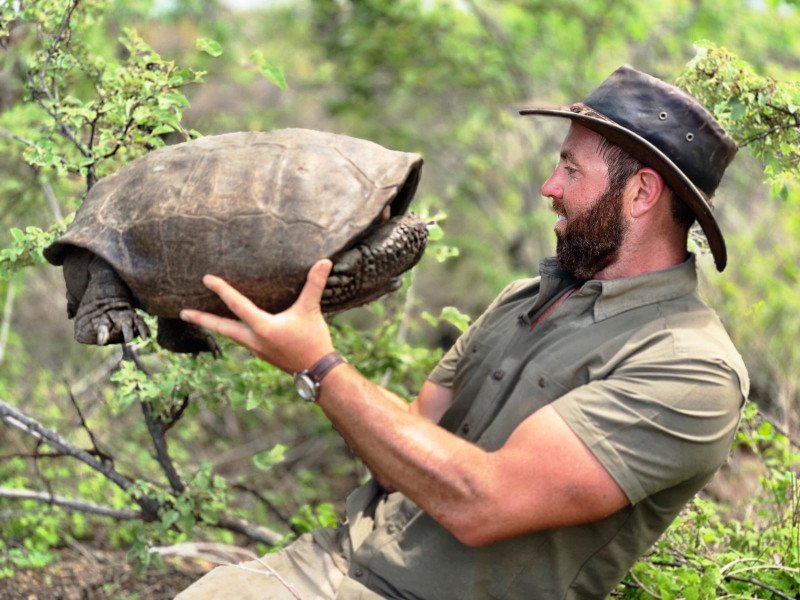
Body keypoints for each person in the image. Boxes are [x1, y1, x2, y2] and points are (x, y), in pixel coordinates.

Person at [174, 66, 749, 599]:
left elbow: (484, 503)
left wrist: (319, 366)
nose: (550, 186)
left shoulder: (692, 368)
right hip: (336, 561)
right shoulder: (522, 300)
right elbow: (402, 444)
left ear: (641, 193)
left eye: (571, 168)